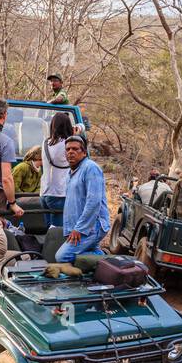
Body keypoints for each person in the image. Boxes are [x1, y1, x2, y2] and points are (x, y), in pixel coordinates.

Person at [58, 135, 110, 264]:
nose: (70, 152)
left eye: (75, 149)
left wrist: (80, 229)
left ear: (84, 152)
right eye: (68, 149)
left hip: (92, 226)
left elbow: (94, 202)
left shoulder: (90, 168)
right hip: (82, 227)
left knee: (62, 256)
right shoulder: (72, 172)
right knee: (87, 253)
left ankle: (107, 261)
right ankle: (97, 270)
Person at [40, 111, 74, 228]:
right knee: (57, 233)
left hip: (44, 193)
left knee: (49, 230)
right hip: (59, 194)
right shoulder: (67, 145)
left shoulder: (45, 142)